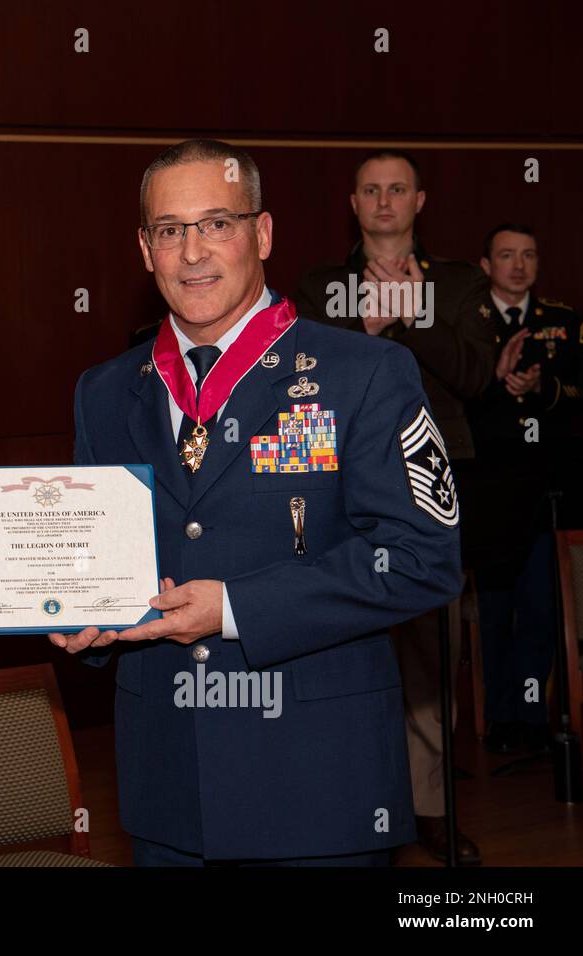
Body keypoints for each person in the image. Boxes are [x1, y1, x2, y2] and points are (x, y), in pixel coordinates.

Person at [53, 139, 462, 865]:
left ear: (262, 233)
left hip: (317, 790)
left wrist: (236, 610)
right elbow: (96, 558)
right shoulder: (105, 391)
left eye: (217, 222)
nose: (193, 252)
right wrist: (78, 617)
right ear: (145, 249)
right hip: (166, 790)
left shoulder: (364, 374)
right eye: (170, 230)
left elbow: (422, 560)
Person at [294, 151, 494, 865]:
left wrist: (414, 317)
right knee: (342, 643)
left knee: (433, 650)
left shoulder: (461, 283)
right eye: (371, 190)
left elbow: (475, 377)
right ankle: (350, 800)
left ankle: (431, 807)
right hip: (340, 489)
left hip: (433, 488)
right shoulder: (320, 287)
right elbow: (301, 381)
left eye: (397, 189)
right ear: (353, 202)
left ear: (419, 200)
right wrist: (370, 334)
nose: (384, 201)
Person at [465, 224, 581, 755]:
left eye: (529, 255)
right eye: (507, 255)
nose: (518, 265)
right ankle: (500, 717)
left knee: (538, 605)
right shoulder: (467, 322)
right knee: (492, 607)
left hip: (544, 489)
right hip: (485, 490)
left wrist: (544, 389)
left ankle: (535, 717)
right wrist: (495, 378)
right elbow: (448, 393)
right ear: (486, 265)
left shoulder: (561, 321)